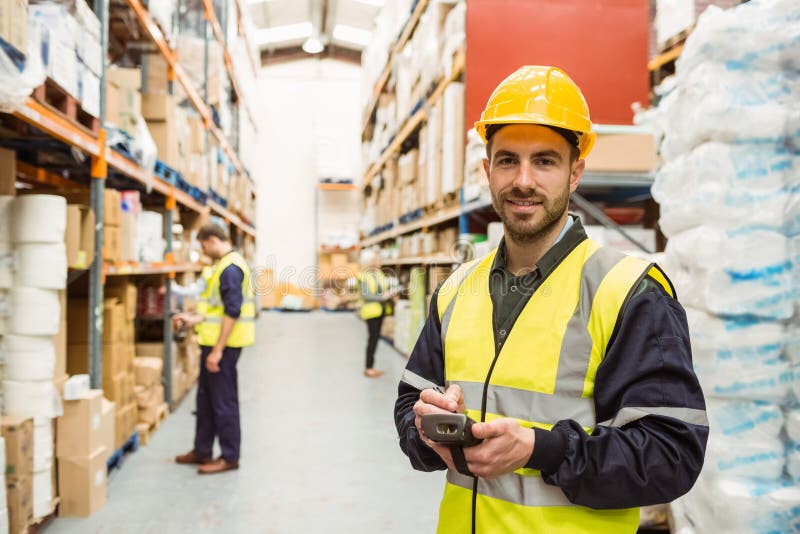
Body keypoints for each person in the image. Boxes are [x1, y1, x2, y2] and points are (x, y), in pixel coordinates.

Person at [393, 66, 708, 533]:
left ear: (575, 171)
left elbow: (670, 454)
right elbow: (408, 402)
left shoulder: (628, 292)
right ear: (487, 170)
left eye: (544, 161)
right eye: (507, 160)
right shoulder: (456, 289)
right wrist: (425, 428)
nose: (523, 180)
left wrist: (541, 449)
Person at [173, 223, 256, 474]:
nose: (203, 251)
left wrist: (218, 350)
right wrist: (193, 319)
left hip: (224, 347)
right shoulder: (223, 266)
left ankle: (230, 456)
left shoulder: (231, 268)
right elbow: (216, 311)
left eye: (203, 246)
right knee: (206, 399)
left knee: (223, 401)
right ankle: (202, 450)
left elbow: (233, 311)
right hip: (212, 342)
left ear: (212, 240)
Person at [358, 250, 394, 378]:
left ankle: (371, 366)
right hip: (371, 312)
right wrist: (383, 297)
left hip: (381, 310)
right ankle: (368, 368)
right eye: (376, 259)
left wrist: (390, 294)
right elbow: (366, 295)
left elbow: (382, 289)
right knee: (372, 339)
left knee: (375, 338)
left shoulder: (378, 273)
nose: (379, 261)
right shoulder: (364, 276)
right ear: (370, 262)